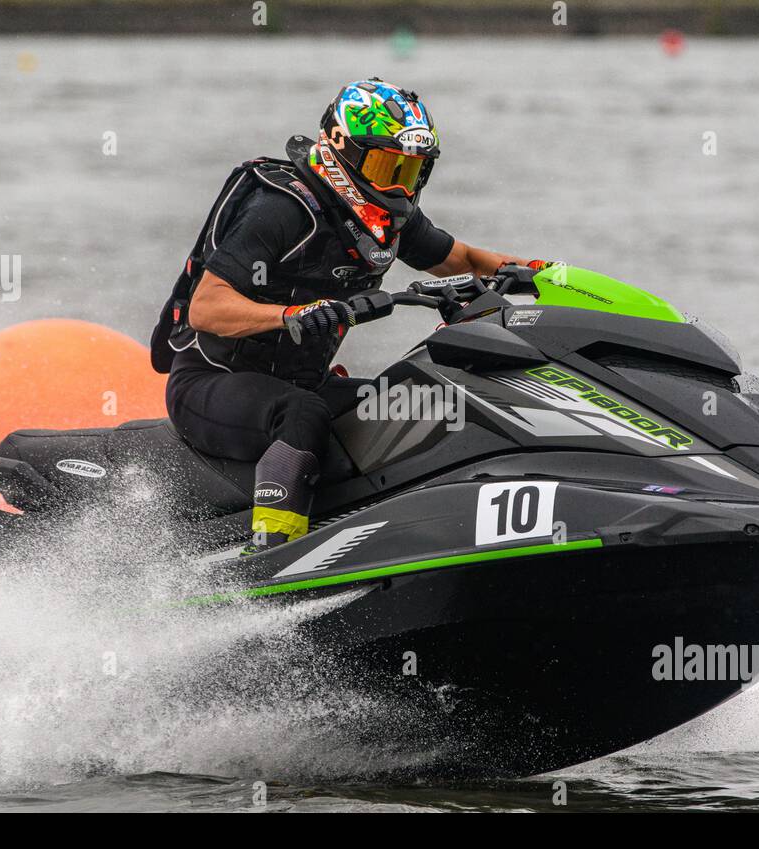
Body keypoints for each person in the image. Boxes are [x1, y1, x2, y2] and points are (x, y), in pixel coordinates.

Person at [151, 78, 543, 553]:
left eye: (411, 170)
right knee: (302, 411)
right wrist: (293, 314)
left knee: (420, 403)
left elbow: (461, 258)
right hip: (210, 382)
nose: (399, 185)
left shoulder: (387, 218)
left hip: (302, 380)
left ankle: (432, 535)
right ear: (342, 150)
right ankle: (273, 551)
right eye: (385, 165)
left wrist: (543, 273)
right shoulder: (283, 207)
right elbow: (206, 308)